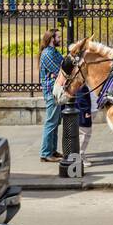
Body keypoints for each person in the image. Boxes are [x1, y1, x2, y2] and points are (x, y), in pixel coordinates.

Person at [39, 28, 64, 162]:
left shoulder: (54, 51)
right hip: (51, 92)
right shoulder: (47, 54)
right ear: (51, 39)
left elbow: (63, 64)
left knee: (55, 123)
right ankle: (46, 153)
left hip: (57, 90)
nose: (60, 39)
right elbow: (59, 70)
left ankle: (52, 151)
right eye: (58, 37)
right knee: (50, 123)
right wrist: (59, 72)